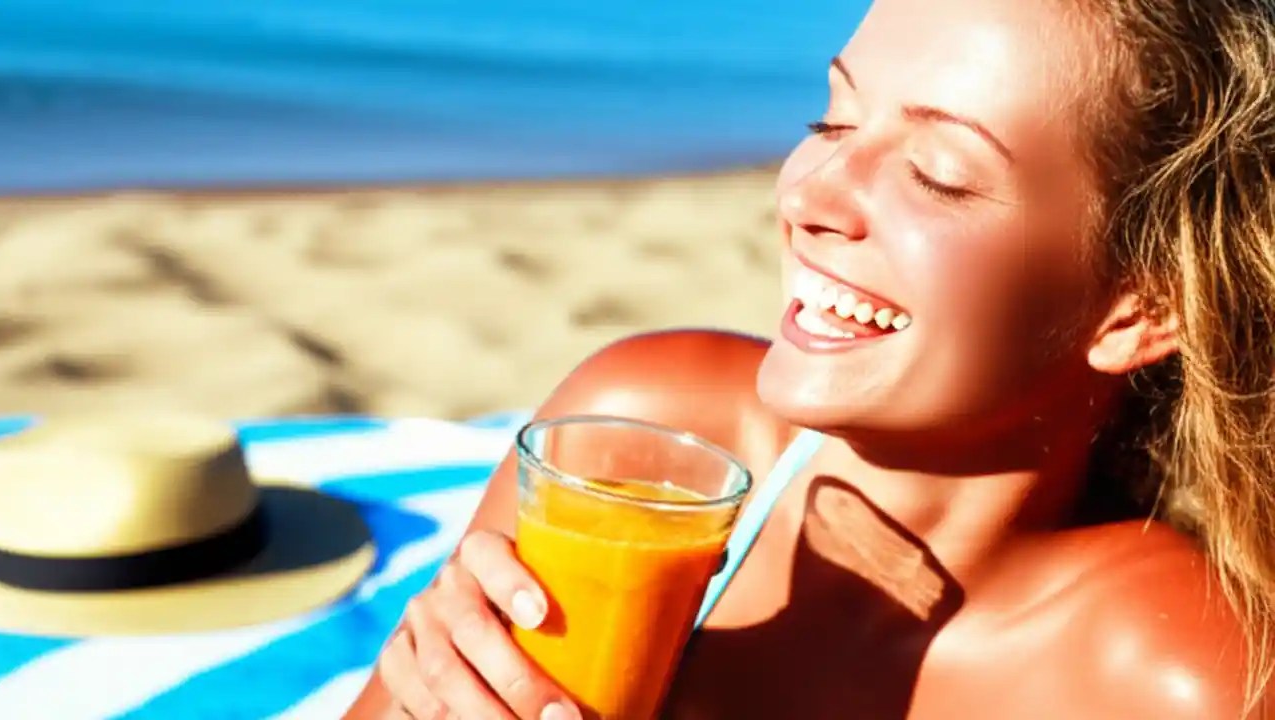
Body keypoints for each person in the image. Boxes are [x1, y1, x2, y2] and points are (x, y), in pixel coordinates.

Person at [345, 0, 1275, 716]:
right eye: (833, 122)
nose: (810, 194)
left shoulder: (1169, 682)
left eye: (937, 174)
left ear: (1143, 304)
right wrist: (424, 684)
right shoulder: (643, 441)